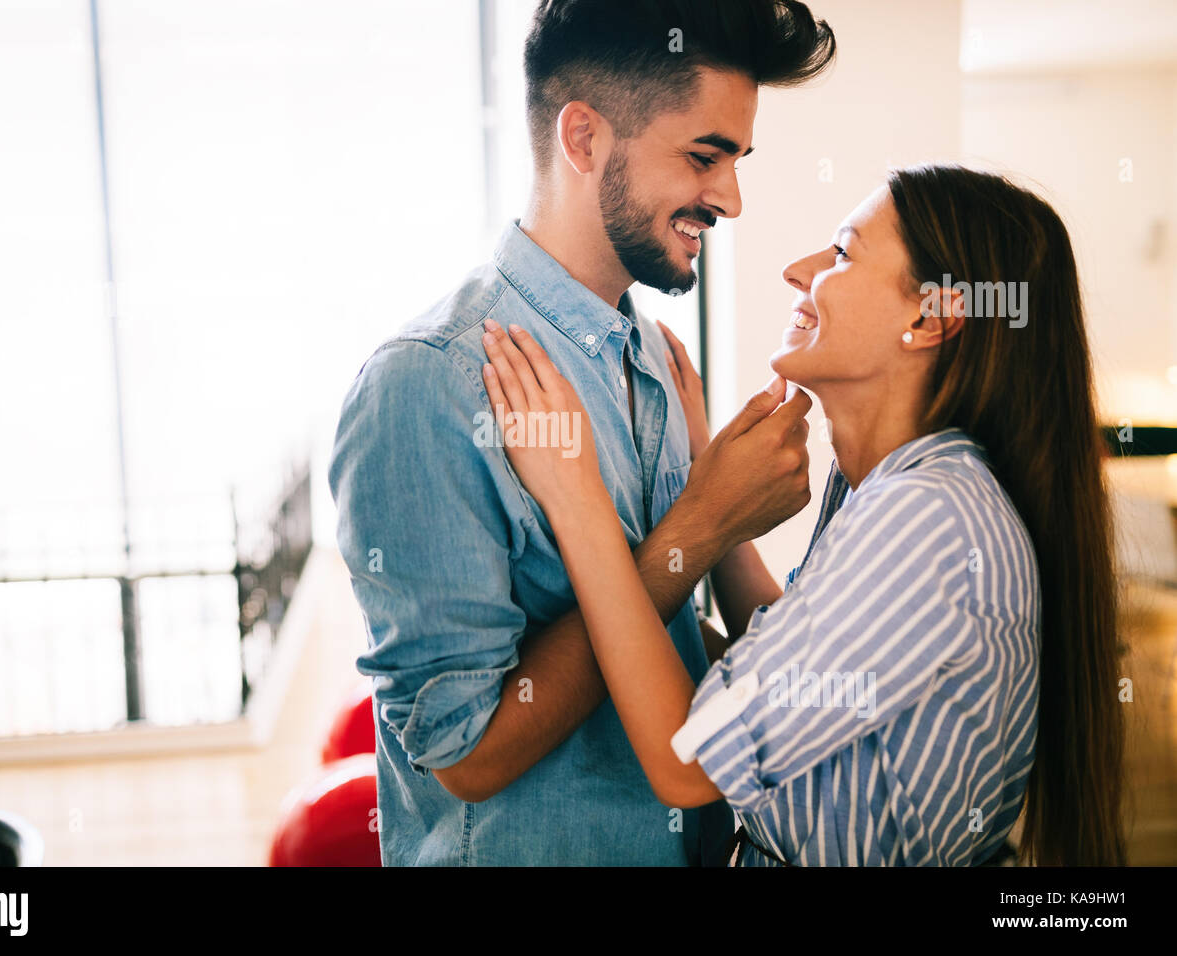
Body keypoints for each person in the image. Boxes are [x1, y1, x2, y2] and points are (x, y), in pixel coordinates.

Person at [478, 163, 1127, 865]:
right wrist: (711, 486)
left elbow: (687, 761)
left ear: (931, 315)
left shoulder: (926, 522)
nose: (796, 270)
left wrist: (576, 498)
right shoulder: (885, 491)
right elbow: (799, 677)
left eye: (842, 253)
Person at [328, 0, 835, 865]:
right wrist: (703, 523)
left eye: (736, 161)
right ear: (585, 139)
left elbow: (668, 646)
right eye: (704, 157)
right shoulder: (429, 382)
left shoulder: (657, 358)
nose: (732, 198)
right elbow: (468, 754)